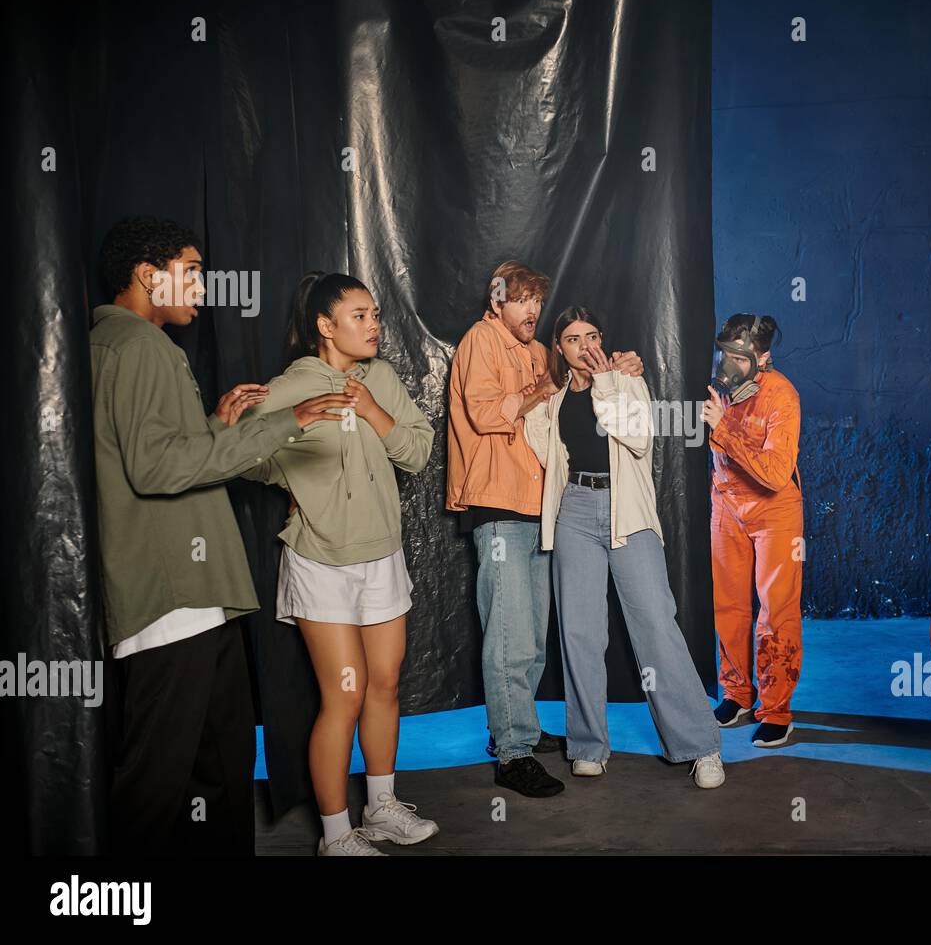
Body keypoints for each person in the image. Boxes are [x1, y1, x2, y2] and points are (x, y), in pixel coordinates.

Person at [90, 217, 351, 854]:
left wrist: (214, 426)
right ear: (148, 276)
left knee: (218, 766)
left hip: (191, 597)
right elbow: (156, 471)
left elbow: (155, 455)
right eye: (193, 271)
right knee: (163, 781)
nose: (204, 287)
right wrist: (279, 423)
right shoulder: (139, 346)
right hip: (173, 596)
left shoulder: (115, 344)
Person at [236, 272, 436, 856]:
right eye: (360, 315)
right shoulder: (291, 385)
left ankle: (380, 809)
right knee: (344, 694)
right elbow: (240, 449)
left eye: (375, 314)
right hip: (321, 560)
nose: (374, 325)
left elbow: (418, 451)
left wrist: (373, 410)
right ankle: (335, 834)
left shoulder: (382, 379)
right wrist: (286, 480)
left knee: (386, 684)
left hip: (383, 555)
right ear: (326, 326)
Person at [445, 261, 643, 797]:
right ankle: (511, 753)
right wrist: (541, 389)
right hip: (498, 508)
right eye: (521, 300)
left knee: (532, 639)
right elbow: (487, 414)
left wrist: (621, 367)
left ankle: (522, 732)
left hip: (544, 509)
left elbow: (573, 396)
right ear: (497, 304)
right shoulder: (480, 341)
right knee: (508, 634)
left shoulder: (537, 353)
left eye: (536, 300)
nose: (531, 309)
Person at [523, 307, 725, 788]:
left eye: (592, 335)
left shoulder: (627, 381)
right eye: (573, 339)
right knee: (580, 633)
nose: (585, 345)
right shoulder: (553, 401)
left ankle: (701, 746)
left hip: (627, 512)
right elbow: (539, 444)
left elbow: (635, 436)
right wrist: (540, 394)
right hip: (573, 511)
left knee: (656, 623)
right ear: (560, 348)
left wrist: (610, 378)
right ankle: (588, 744)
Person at [701, 314, 804, 747]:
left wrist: (723, 428)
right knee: (729, 606)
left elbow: (777, 473)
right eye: (724, 352)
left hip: (774, 511)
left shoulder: (782, 397)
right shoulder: (722, 395)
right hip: (726, 506)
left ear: (762, 357)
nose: (728, 362)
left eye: (738, 356)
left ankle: (777, 709)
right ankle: (738, 693)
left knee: (775, 611)